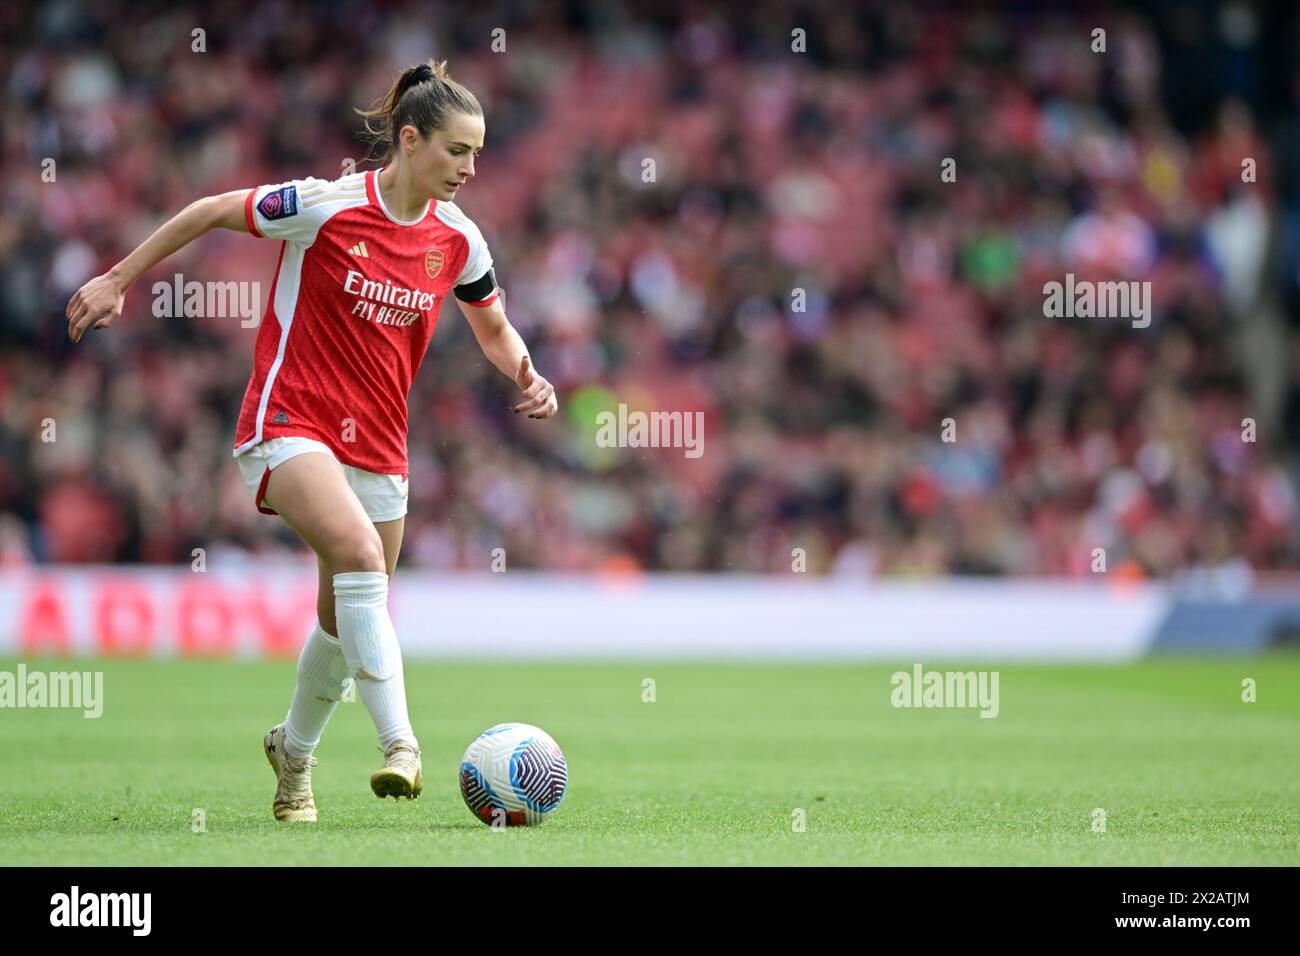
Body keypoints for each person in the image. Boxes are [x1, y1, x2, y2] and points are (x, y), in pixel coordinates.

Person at [64, 59, 558, 822]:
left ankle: (293, 760)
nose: (470, 167)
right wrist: (120, 278)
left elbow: (492, 328)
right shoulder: (326, 206)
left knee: (341, 616)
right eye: (458, 150)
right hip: (289, 422)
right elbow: (211, 208)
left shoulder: (459, 241)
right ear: (411, 138)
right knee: (361, 561)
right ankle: (403, 746)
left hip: (382, 448)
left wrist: (527, 373)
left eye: (479, 153)